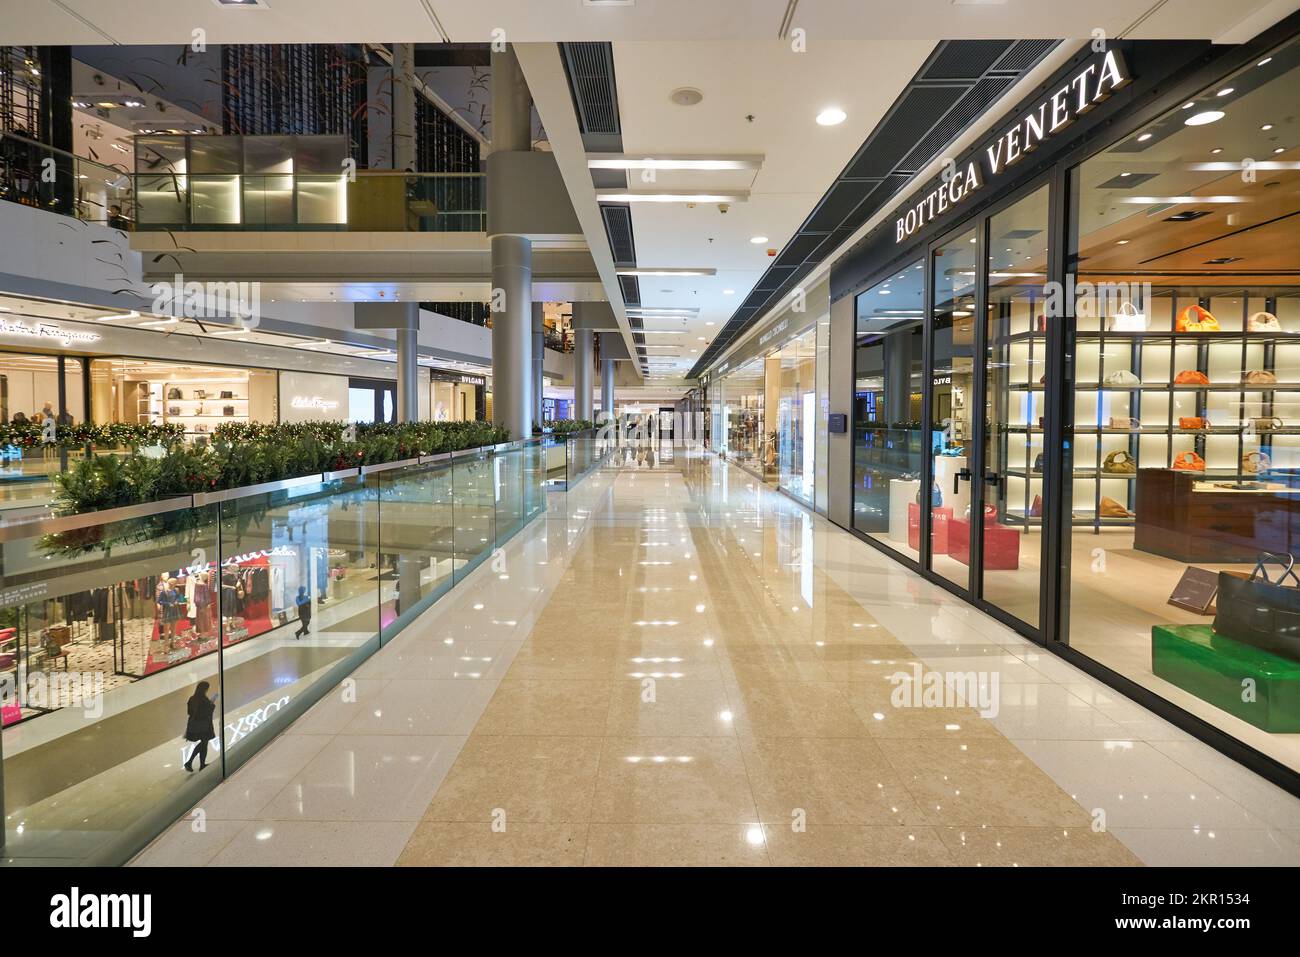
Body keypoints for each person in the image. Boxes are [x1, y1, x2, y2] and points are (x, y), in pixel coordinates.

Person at [183, 681, 218, 772]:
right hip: (203, 726)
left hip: (193, 725)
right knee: (204, 743)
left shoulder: (192, 699)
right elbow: (207, 712)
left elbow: (189, 712)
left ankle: (200, 764)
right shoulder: (203, 700)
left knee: (204, 743)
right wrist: (212, 703)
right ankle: (190, 762)